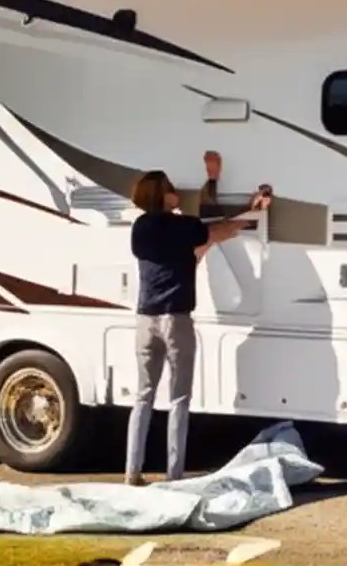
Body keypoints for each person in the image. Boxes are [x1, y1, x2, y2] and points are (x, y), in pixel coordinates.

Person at [124, 164, 271, 486]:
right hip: (175, 320)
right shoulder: (182, 226)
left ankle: (132, 473)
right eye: (170, 186)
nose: (176, 188)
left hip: (144, 320)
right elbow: (218, 231)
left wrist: (219, 185)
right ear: (162, 195)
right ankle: (173, 475)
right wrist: (253, 213)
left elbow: (195, 252)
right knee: (179, 399)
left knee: (143, 397)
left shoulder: (140, 228)